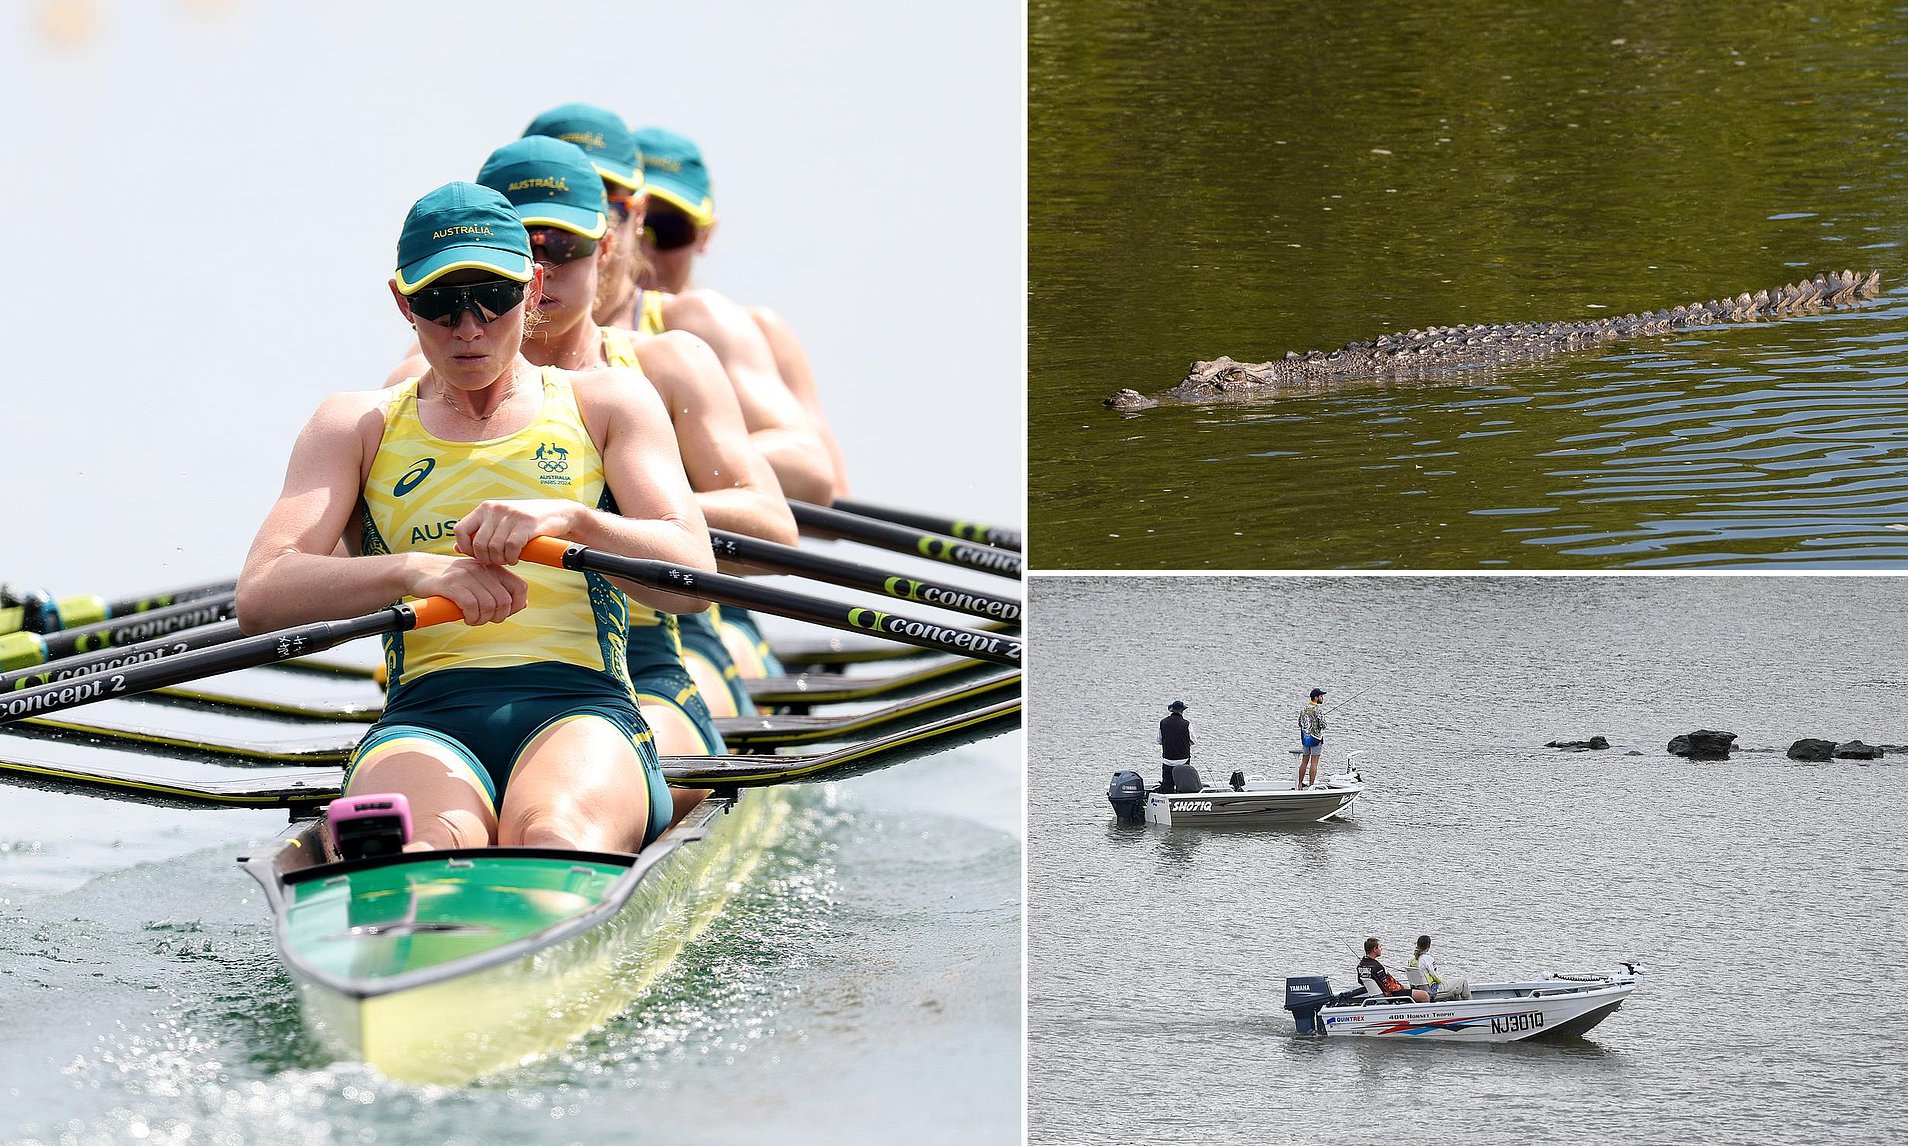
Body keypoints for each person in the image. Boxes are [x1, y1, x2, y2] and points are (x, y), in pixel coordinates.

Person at [237, 181, 718, 854]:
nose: (470, 326)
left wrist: (575, 523)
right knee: (425, 848)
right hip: (424, 720)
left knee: (552, 832)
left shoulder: (608, 402)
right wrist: (412, 570)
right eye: (441, 302)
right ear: (402, 301)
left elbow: (693, 574)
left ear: (533, 285)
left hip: (585, 710)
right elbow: (260, 597)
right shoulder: (353, 424)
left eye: (493, 296)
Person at [388, 135, 798, 729]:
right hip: (458, 666)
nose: (544, 268)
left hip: (645, 656)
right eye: (519, 245)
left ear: (605, 249)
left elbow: (773, 530)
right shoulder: (413, 385)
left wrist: (611, 512)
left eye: (564, 245)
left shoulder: (664, 365)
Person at [1357, 938, 1429, 1003]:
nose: (1381, 949)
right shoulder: (1377, 967)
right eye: (1380, 947)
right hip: (1390, 995)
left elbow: (1360, 981)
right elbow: (1390, 987)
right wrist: (1401, 987)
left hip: (1379, 994)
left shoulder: (1361, 965)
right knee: (1424, 995)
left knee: (1408, 987)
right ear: (1374, 949)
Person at [1410, 935, 1473, 1001]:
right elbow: (1434, 975)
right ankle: (1470, 1004)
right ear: (1429, 946)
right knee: (1463, 981)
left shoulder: (1412, 961)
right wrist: (1440, 981)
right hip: (1434, 989)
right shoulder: (1427, 959)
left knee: (1455, 988)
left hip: (1419, 989)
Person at [1157, 700, 1193, 791]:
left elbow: (1158, 740)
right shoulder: (1187, 724)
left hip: (1167, 760)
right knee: (1184, 785)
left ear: (1172, 710)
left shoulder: (1162, 722)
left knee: (1167, 785)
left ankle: (1166, 798)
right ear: (1182, 711)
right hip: (1183, 761)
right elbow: (1193, 741)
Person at [1297, 687, 1327, 789]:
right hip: (1316, 739)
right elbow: (1323, 725)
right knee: (1314, 763)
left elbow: (1299, 723)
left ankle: (1300, 784)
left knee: (1304, 761)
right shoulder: (1318, 710)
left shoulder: (1304, 708)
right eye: (1321, 696)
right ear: (1316, 697)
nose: (1322, 698)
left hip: (1305, 738)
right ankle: (1311, 785)